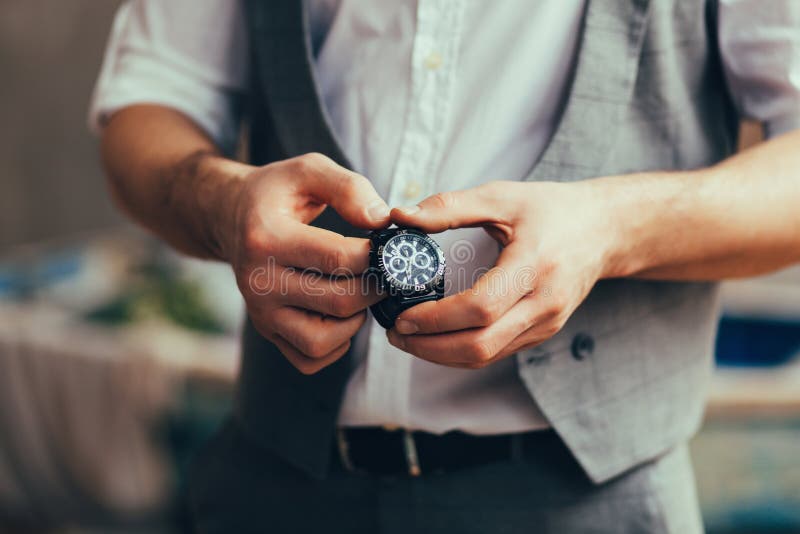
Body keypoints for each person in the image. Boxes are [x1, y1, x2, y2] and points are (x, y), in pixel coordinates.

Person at [90, 1, 800, 532]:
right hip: (274, 485)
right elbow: (149, 104)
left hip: (597, 501)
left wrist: (608, 230)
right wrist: (222, 204)